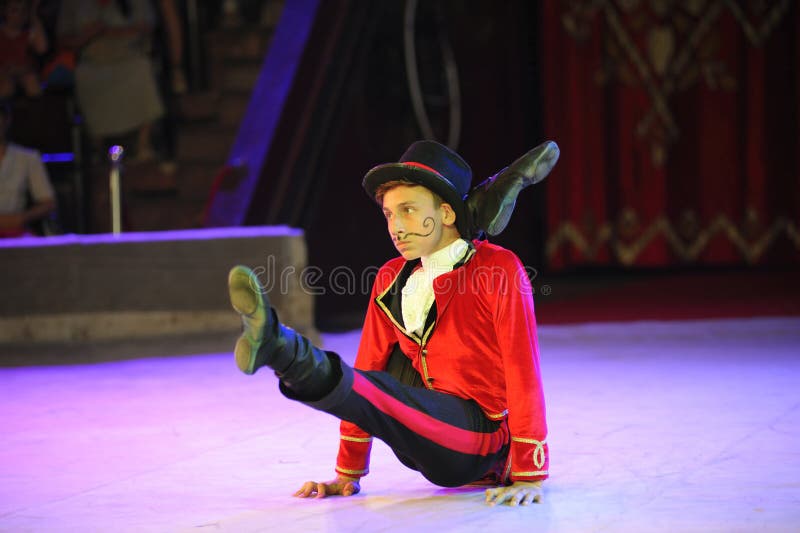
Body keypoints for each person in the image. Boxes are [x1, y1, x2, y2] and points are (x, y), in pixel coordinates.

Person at [228, 139, 560, 506]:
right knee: (374, 376)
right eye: (389, 214)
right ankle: (282, 350)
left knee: (379, 388)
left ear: (447, 214)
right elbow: (368, 366)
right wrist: (348, 473)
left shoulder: (497, 268)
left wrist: (529, 474)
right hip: (419, 428)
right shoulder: (390, 277)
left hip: (479, 438)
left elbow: (522, 370)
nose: (396, 227)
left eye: (408, 211)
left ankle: (283, 350)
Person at [56, 0, 164, 163]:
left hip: (128, 56)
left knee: (142, 69)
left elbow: (147, 26)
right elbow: (62, 39)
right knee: (85, 77)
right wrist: (86, 36)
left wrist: (110, 31)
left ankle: (143, 144)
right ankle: (97, 148)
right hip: (92, 61)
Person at [0, 100, 56, 237]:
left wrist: (21, 218)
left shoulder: (27, 157)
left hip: (14, 230)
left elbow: (48, 202)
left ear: (6, 120)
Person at [0, 0, 49, 98]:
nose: (19, 15)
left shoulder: (28, 34)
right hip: (4, 74)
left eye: (24, 11)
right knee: (6, 86)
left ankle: (35, 106)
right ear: (5, 11)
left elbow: (42, 48)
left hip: (25, 72)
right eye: (14, 10)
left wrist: (33, 16)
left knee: (32, 82)